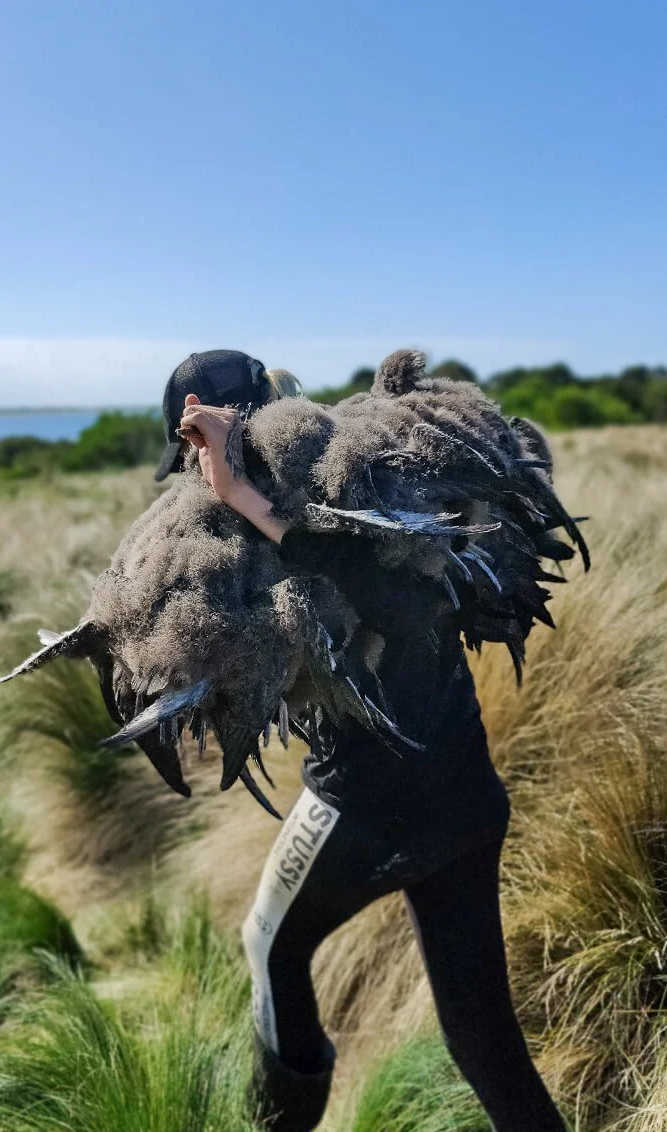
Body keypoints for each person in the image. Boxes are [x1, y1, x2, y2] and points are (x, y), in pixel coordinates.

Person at [156, 349, 568, 1132]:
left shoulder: (294, 496)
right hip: (467, 801)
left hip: (370, 811)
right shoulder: (377, 466)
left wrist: (240, 490)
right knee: (482, 1036)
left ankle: (278, 1126)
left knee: (268, 947)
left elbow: (368, 589)